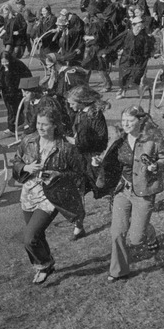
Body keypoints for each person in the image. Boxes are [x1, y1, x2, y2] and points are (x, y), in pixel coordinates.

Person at [11, 105, 85, 284]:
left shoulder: (65, 148)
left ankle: (43, 264)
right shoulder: (28, 141)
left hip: (51, 196)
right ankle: (47, 264)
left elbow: (80, 174)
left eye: (45, 125)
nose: (40, 128)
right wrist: (25, 167)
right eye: (38, 123)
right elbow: (15, 162)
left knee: (29, 238)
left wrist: (59, 175)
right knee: (37, 235)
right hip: (29, 193)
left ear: (55, 126)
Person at [107, 107, 164, 282]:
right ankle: (118, 271)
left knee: (136, 239)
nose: (125, 124)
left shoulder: (153, 139)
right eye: (123, 120)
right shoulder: (119, 138)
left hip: (143, 192)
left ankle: (149, 233)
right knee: (117, 232)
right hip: (123, 190)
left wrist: (156, 166)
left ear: (141, 121)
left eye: (130, 120)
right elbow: (110, 157)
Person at [64, 86, 109, 239]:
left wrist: (75, 141)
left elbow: (101, 139)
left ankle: (120, 211)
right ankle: (78, 227)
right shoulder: (80, 113)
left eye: (72, 103)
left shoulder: (95, 115)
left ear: (82, 101)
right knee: (78, 191)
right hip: (79, 159)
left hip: (92, 159)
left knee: (104, 187)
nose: (70, 106)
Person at [108, 16, 153, 100]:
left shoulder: (144, 36)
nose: (139, 28)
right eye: (138, 26)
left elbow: (148, 47)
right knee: (123, 76)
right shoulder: (127, 33)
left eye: (141, 26)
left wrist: (151, 54)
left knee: (136, 76)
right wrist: (107, 52)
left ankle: (139, 89)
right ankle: (123, 91)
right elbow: (116, 43)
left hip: (139, 60)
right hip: (126, 59)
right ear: (133, 25)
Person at [0, 51, 27, 136]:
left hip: (17, 91)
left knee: (16, 109)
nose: (5, 64)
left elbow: (26, 76)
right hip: (7, 92)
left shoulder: (18, 65)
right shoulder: (1, 68)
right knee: (11, 109)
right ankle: (15, 125)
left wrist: (25, 89)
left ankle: (14, 125)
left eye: (6, 62)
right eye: (3, 62)